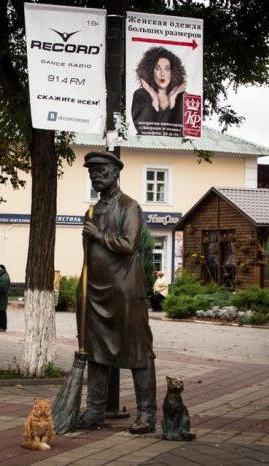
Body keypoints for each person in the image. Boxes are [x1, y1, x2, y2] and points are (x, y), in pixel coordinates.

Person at [76, 151, 157, 435]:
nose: (96, 176)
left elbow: (129, 244)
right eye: (91, 172)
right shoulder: (92, 211)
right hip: (97, 291)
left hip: (125, 291)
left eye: (101, 171)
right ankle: (95, 410)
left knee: (137, 351)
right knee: (96, 351)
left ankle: (147, 414)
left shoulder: (129, 206)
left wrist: (98, 235)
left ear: (116, 172)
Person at [131, 47, 186, 137]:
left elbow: (181, 133)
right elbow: (143, 129)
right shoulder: (140, 95)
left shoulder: (182, 97)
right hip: (146, 148)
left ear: (173, 72)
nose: (162, 74)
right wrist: (153, 96)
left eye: (167, 69)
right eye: (157, 68)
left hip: (175, 150)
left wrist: (173, 99)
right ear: (150, 71)